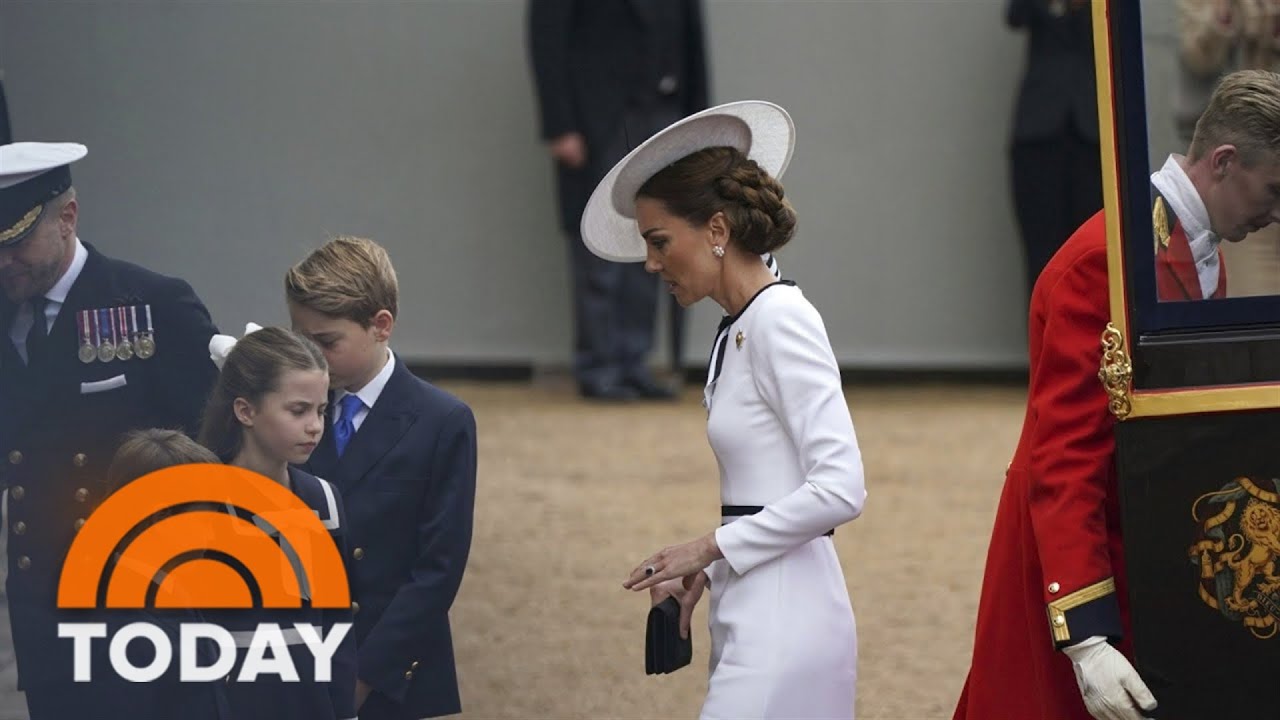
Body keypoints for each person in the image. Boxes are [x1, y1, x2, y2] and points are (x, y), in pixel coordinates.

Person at [952, 69, 1280, 720]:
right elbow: (1067, 452)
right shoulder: (1109, 258)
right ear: (1224, 161)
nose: (1276, 211)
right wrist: (1087, 637)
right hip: (1080, 550)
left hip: (1144, 534)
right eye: (1273, 188)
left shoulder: (1187, 244)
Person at [582, 101, 867, 718]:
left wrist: (708, 548)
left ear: (716, 230)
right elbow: (770, 487)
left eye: (659, 242)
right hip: (753, 607)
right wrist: (711, 572)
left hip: (788, 619)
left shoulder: (782, 320)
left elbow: (841, 488)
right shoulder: (741, 325)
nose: (652, 264)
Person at [0, 141, 220, 719]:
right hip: (40, 598)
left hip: (137, 595)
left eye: (17, 241)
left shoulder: (151, 303)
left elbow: (215, 441)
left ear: (68, 218)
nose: (4, 261)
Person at [286, 236, 477, 719]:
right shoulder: (285, 410)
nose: (310, 355)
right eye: (299, 337)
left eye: (327, 342)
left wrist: (365, 676)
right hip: (298, 658)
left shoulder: (441, 420)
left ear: (381, 326)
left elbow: (438, 568)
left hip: (392, 674)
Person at [527, 0, 709, 400]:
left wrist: (700, 126)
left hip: (665, 114)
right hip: (598, 121)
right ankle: (599, 366)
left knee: (654, 240)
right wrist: (560, 125)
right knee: (598, 242)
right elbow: (547, 36)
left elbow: (692, 38)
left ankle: (632, 362)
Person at [198, 325, 357, 720]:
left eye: (321, 410)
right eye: (298, 410)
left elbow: (336, 626)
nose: (315, 426)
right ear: (245, 410)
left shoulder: (324, 502)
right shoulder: (199, 506)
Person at [1005, 0, 1102, 301]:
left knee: (1092, 257)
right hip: (1039, 134)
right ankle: (1043, 345)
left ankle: (1089, 347)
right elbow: (1015, 15)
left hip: (1094, 137)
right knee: (1041, 258)